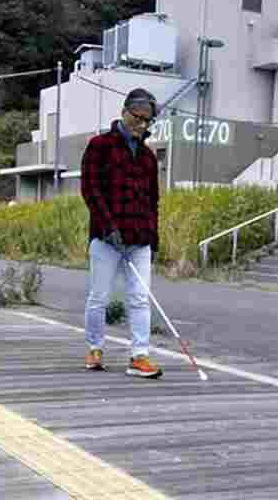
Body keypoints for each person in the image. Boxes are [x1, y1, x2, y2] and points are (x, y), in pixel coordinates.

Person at [80, 88, 162, 379]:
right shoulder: (99, 146)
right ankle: (94, 348)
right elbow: (90, 190)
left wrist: (153, 237)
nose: (141, 125)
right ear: (124, 111)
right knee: (99, 297)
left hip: (139, 239)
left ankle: (139, 356)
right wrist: (107, 226)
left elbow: (152, 200)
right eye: (137, 118)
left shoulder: (149, 158)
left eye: (146, 121)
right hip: (106, 238)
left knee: (140, 298)